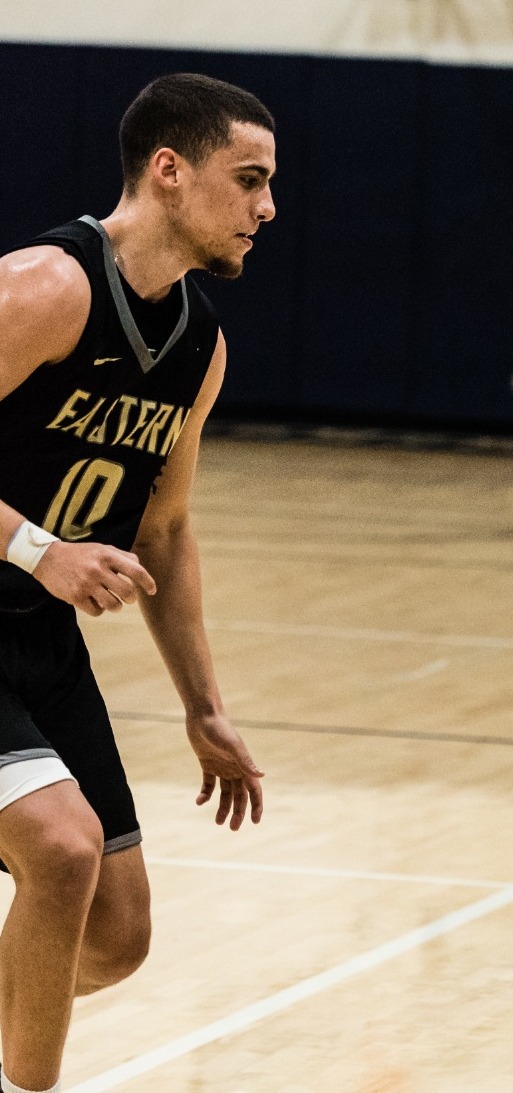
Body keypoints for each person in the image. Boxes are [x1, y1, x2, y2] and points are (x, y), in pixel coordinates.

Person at [0, 72, 274, 1093]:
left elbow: (166, 526)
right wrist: (42, 549)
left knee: (114, 936)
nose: (267, 207)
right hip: (15, 590)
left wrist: (204, 706)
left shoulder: (198, 348)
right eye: (248, 180)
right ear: (170, 172)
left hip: (36, 642)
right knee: (62, 849)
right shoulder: (45, 287)